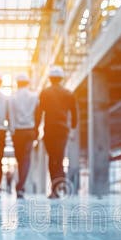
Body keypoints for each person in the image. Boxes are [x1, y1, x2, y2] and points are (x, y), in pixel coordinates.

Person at [34, 66, 78, 198]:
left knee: (52, 159)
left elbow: (39, 112)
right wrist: (73, 126)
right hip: (62, 130)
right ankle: (58, 187)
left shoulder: (45, 93)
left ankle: (56, 189)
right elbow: (74, 113)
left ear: (50, 78)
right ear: (61, 78)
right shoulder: (68, 94)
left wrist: (36, 128)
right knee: (59, 158)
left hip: (50, 130)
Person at [8, 73, 38, 199]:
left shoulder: (12, 98)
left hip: (18, 132)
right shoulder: (34, 97)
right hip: (29, 130)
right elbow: (37, 114)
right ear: (28, 83)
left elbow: (10, 116)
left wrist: (12, 130)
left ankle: (20, 186)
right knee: (25, 159)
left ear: (17, 83)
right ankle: (21, 187)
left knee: (20, 159)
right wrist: (36, 130)